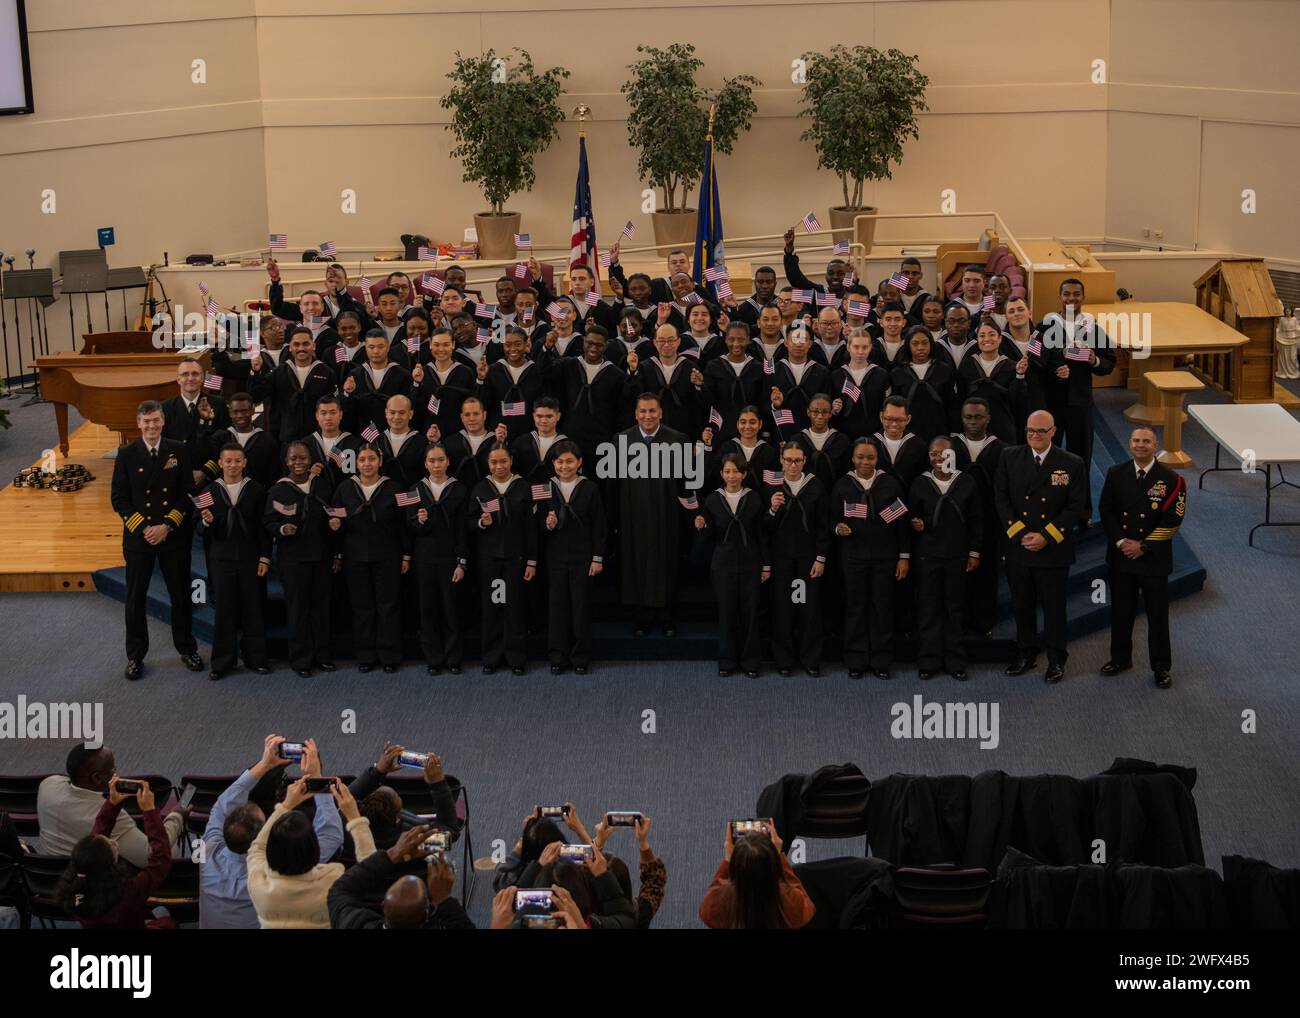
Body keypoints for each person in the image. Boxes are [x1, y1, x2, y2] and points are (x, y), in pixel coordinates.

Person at [201, 735, 344, 929]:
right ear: (264, 837)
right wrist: (315, 777)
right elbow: (331, 835)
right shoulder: (278, 871)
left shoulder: (207, 853)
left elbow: (221, 806)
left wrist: (265, 764)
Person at [110, 400, 202, 680]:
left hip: (172, 536)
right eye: (146, 421)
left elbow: (188, 494)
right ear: (138, 424)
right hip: (140, 539)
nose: (151, 426)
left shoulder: (178, 450)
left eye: (155, 421)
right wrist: (145, 529)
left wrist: (167, 525)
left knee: (180, 595)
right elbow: (119, 499)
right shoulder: (126, 454)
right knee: (135, 598)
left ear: (163, 422)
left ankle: (187, 648)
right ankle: (135, 656)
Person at [994, 411, 1087, 684]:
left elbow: (1076, 505)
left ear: (1053, 431)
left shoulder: (1071, 463)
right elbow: (1000, 498)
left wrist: (1047, 535)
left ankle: (1057, 659)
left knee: (1054, 608)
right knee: (1022, 605)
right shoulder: (1009, 456)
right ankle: (1026, 652)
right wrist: (1020, 533)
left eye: (1040, 431)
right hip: (1019, 546)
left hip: (1052, 548)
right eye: (1030, 431)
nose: (1034, 436)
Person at [1098, 426, 1187, 689]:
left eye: (1146, 441)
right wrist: (1120, 541)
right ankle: (1120, 658)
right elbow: (1106, 510)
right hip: (1122, 555)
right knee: (1120, 611)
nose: (1140, 445)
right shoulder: (1116, 473)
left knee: (1157, 616)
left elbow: (1173, 520)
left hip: (1152, 560)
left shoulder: (1171, 479)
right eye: (1136, 440)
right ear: (1130, 443)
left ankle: (1160, 667)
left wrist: (1144, 546)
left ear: (1155, 444)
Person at [246, 775, 376, 929]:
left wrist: (287, 804)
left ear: (271, 850)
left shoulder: (258, 882)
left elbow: (257, 847)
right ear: (314, 849)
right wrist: (354, 815)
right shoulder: (334, 885)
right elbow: (372, 869)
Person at [832, 438, 910, 679]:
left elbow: (901, 525)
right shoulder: (842, 485)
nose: (865, 462)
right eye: (861, 457)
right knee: (856, 607)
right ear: (853, 459)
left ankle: (881, 660)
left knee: (881, 608)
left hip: (885, 558)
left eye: (870, 458)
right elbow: (830, 519)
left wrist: (903, 557)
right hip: (853, 558)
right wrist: (838, 528)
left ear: (877, 459)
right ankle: (856, 659)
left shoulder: (890, 484)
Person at [38, 743, 186, 866]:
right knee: (172, 848)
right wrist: (176, 816)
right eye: (113, 769)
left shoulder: (47, 784)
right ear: (97, 778)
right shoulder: (109, 816)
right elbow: (152, 855)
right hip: (92, 886)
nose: (116, 774)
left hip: (46, 875)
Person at [908, 436, 983, 680]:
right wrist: (915, 524)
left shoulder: (967, 482)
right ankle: (928, 660)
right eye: (933, 454)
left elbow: (976, 521)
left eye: (943, 454)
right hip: (928, 556)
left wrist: (974, 552)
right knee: (929, 608)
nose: (938, 458)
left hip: (957, 556)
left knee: (954, 608)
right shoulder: (919, 483)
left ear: (953, 455)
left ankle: (954, 660)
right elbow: (911, 518)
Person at [330, 444, 410, 673]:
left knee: (388, 606)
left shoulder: (395, 488)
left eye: (371, 459)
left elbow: (403, 524)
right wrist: (335, 526)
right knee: (362, 607)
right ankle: (366, 655)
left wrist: (406, 554)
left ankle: (389, 656)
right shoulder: (344, 488)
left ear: (380, 461)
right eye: (363, 459)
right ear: (356, 463)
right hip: (355, 557)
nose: (367, 463)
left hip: (388, 555)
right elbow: (336, 519)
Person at [196, 443, 272, 680]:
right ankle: (222, 662)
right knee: (225, 611)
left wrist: (265, 556)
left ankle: (256, 658)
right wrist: (206, 521)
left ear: (244, 462)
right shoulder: (208, 491)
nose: (232, 465)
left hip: (250, 558)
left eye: (237, 461)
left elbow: (264, 528)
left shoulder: (257, 490)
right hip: (222, 560)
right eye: (228, 461)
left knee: (253, 609)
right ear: (220, 463)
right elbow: (199, 530)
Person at [1038, 278, 1116, 509]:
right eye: (1067, 294)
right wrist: (1054, 371)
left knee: (1081, 457)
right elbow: (1035, 361)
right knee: (1048, 456)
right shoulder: (1044, 325)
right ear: (1059, 297)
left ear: (1083, 297)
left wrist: (1094, 360)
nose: (1071, 299)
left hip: (1080, 402)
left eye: (1076, 294)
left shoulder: (1093, 327)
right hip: (1052, 402)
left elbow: (1109, 363)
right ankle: (1049, 504)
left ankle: (1082, 509)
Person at [56, 776, 174, 929]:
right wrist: (150, 811)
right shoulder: (129, 890)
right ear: (109, 866)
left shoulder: (74, 889)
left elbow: (96, 840)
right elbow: (161, 858)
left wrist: (112, 804)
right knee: (166, 919)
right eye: (111, 846)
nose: (114, 841)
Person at [616, 394, 689, 638]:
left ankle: (667, 616)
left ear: (661, 413)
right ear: (635, 414)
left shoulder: (677, 440)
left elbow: (687, 483)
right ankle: (642, 617)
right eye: (643, 412)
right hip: (632, 516)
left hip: (666, 515)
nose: (648, 416)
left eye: (652, 411)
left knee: (666, 562)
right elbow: (613, 486)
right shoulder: (621, 440)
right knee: (637, 562)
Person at [694, 452, 769, 677]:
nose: (731, 475)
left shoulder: (754, 498)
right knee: (726, 613)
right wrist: (701, 526)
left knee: (750, 613)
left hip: (750, 563)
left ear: (744, 474)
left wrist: (766, 565)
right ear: (721, 474)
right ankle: (727, 661)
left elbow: (761, 534)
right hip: (723, 564)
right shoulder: (713, 499)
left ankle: (750, 662)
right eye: (727, 471)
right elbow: (707, 538)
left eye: (736, 471)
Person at [266, 441, 337, 677]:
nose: (299, 463)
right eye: (294, 459)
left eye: (303, 458)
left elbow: (334, 512)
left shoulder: (323, 485)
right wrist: (282, 529)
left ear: (310, 460)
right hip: (293, 559)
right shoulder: (278, 490)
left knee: (322, 609)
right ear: (287, 462)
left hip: (321, 556)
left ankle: (323, 656)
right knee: (298, 609)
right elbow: (268, 522)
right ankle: (301, 660)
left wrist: (335, 522)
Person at [470, 443, 537, 674]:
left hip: (515, 559)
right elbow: (469, 522)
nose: (499, 466)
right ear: (488, 464)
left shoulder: (523, 487)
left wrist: (531, 561)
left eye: (503, 461)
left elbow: (531, 528)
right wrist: (481, 523)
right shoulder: (480, 488)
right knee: (492, 607)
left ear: (511, 461)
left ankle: (515, 658)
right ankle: (492, 657)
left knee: (514, 608)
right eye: (494, 462)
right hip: (490, 560)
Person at [540, 441, 606, 674]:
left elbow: (599, 526)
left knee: (580, 607)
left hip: (582, 557)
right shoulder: (546, 487)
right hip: (555, 557)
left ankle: (580, 657)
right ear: (553, 464)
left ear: (579, 463)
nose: (564, 466)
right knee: (557, 607)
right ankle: (558, 657)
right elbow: (535, 525)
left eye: (569, 461)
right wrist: (547, 525)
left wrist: (597, 558)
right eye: (560, 462)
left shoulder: (590, 488)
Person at [766, 442, 829, 677]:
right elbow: (763, 527)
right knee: (783, 609)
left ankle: (810, 658)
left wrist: (820, 558)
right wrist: (772, 510)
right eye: (788, 460)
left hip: (807, 560)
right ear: (781, 460)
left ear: (804, 461)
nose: (793, 465)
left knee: (808, 609)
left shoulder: (815, 486)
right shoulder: (772, 485)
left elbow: (823, 525)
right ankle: (784, 659)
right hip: (782, 560)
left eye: (797, 460)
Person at [327, 827, 472, 929]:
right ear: (427, 914)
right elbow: (449, 832)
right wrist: (444, 899)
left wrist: (392, 854)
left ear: (383, 906)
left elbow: (339, 890)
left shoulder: (352, 924)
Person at [406, 443, 467, 675]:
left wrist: (462, 562)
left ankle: (453, 658)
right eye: (432, 461)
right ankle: (434, 658)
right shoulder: (415, 490)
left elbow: (463, 530)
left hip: (450, 559)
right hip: (424, 559)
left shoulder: (459, 489)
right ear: (425, 464)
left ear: (448, 462)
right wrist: (419, 521)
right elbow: (408, 526)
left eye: (440, 460)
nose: (437, 465)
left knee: (451, 609)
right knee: (428, 609)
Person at [951, 398, 1005, 638]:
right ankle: (957, 621)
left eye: (978, 417)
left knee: (986, 572)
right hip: (956, 522)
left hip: (988, 522)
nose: (972, 422)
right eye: (968, 417)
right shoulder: (950, 446)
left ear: (988, 418)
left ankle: (984, 621)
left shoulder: (1001, 449)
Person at [700, 821, 815, 929]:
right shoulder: (791, 902)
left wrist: (727, 861)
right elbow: (807, 907)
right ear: (773, 866)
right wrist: (780, 857)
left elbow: (711, 896)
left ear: (735, 866)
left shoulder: (717, 904)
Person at [250, 326, 339, 443]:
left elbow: (334, 406)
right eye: (296, 344)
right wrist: (256, 373)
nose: (301, 348)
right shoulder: (278, 373)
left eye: (306, 344)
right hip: (285, 438)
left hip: (317, 438)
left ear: (314, 346)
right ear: (290, 347)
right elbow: (256, 397)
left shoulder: (327, 373)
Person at [625, 325, 704, 439]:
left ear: (678, 341)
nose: (666, 344)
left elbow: (698, 405)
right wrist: (632, 371)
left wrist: (698, 385)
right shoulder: (644, 367)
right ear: (655, 342)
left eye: (671, 340)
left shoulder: (690, 367)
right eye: (661, 340)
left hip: (683, 429)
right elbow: (631, 397)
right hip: (651, 431)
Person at [591, 813, 667, 929]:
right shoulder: (640, 913)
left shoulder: (588, 918)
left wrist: (598, 843)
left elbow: (580, 876)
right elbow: (655, 881)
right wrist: (643, 842)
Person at [957, 321, 1026, 443]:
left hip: (1003, 429)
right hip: (973, 431)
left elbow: (1017, 402)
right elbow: (960, 399)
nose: (987, 339)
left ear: (999, 339)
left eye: (991, 334)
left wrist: (1019, 375)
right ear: (977, 340)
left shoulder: (1012, 367)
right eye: (982, 335)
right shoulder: (967, 365)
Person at [342, 329, 413, 436]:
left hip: (392, 433)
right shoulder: (355, 375)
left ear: (388, 347)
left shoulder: (402, 375)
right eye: (371, 347)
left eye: (380, 347)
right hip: (362, 432)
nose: (375, 351)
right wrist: (347, 393)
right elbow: (348, 410)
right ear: (365, 348)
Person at [892, 327, 957, 443]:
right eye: (915, 344)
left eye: (924, 343)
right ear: (908, 346)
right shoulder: (898, 373)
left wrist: (953, 431)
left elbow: (952, 404)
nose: (920, 347)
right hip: (908, 434)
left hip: (939, 431)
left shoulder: (944, 370)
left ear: (931, 344)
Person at [204, 391, 279, 486]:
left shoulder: (267, 440)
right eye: (235, 412)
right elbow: (208, 460)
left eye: (244, 411)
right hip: (225, 493)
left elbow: (273, 474)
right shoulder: (220, 438)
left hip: (257, 495)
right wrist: (206, 421)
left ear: (252, 410)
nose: (239, 415)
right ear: (230, 413)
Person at [830, 331, 891, 439]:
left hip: (874, 433)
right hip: (844, 433)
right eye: (856, 347)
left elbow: (885, 406)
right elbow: (831, 409)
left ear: (870, 347)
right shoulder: (837, 375)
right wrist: (834, 410)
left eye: (864, 347)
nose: (860, 352)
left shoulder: (881, 375)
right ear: (848, 347)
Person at [871, 395, 929, 489]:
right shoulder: (870, 444)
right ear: (881, 417)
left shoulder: (919, 446)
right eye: (889, 419)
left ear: (908, 419)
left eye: (899, 420)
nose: (894, 424)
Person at [377, 394, 428, 489]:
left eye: (402, 413)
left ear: (411, 414)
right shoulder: (376, 441)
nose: (396, 417)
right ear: (386, 413)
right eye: (392, 412)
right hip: (382, 497)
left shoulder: (422, 443)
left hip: (410, 496)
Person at [783, 227, 848, 298]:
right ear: (826, 276)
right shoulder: (818, 294)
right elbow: (796, 279)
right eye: (830, 273)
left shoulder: (853, 295)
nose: (835, 277)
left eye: (840, 274)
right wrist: (789, 252)